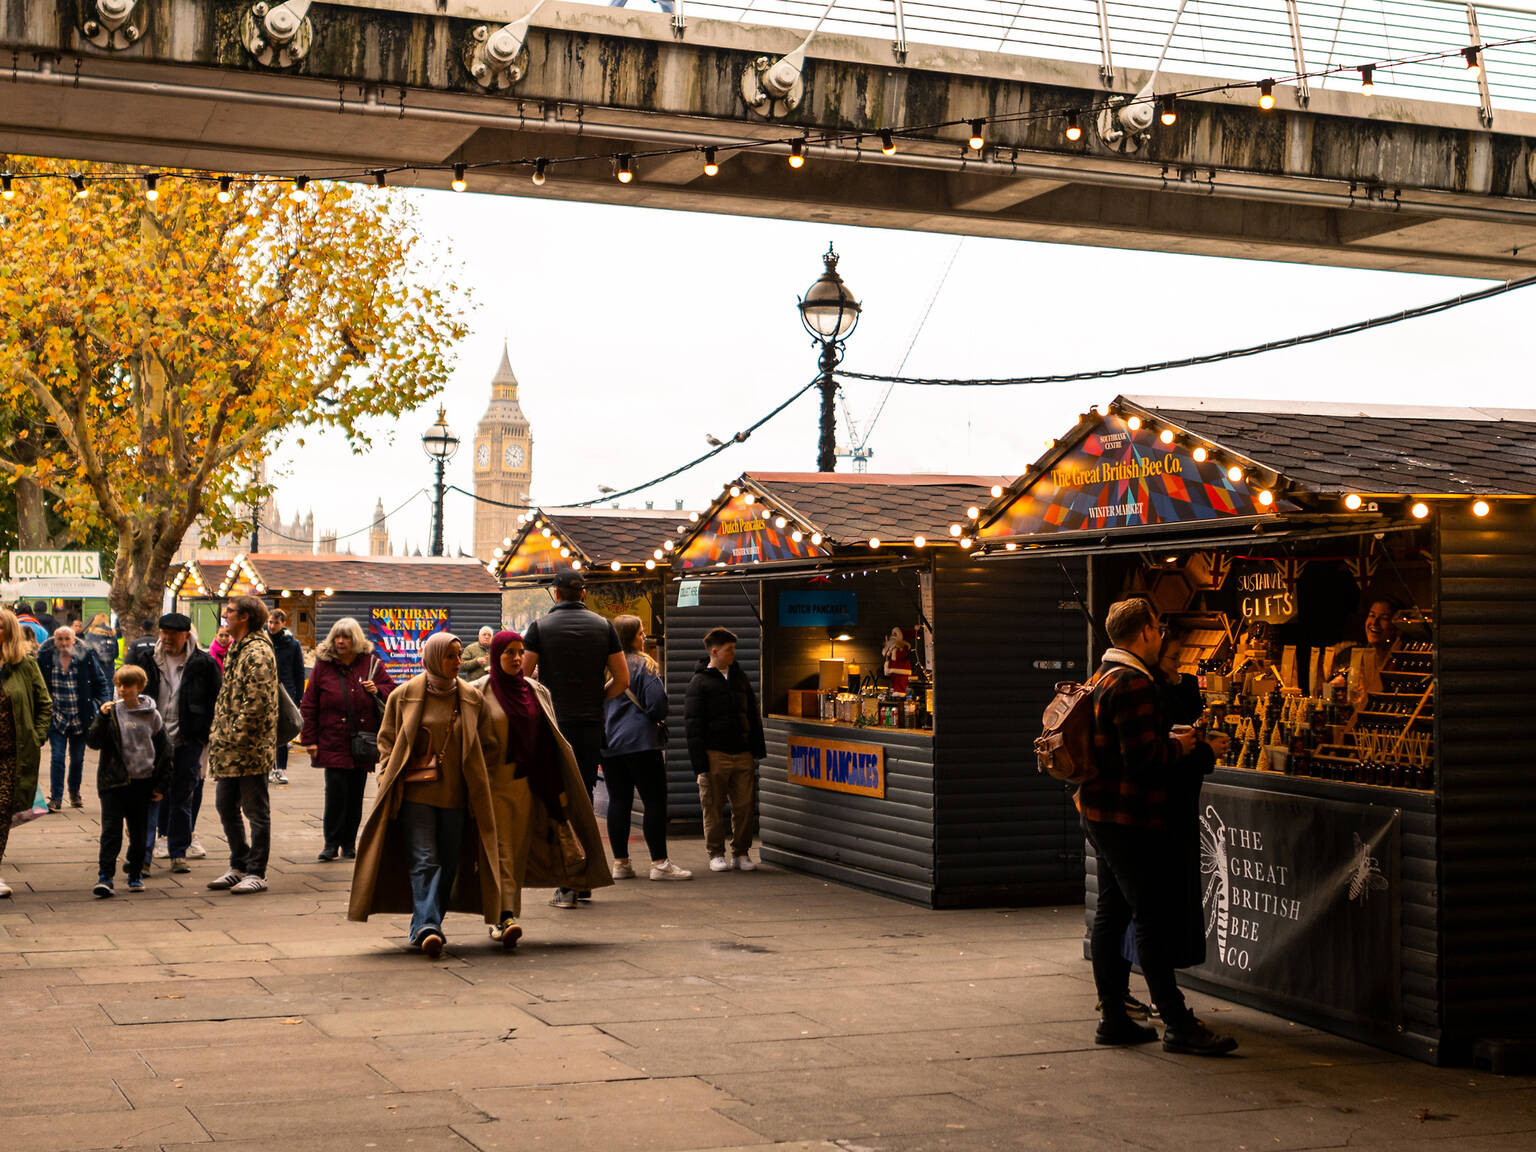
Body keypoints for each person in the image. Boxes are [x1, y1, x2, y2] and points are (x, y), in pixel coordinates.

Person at [1080, 597, 1236, 1056]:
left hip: (1100, 814)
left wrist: (1172, 739)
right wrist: (1197, 751)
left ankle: (1113, 1016)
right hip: (1129, 818)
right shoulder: (1134, 683)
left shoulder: (1104, 676)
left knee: (1112, 914)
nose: (1160, 638)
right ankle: (1177, 1021)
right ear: (1146, 631)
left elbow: (1125, 748)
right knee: (1151, 917)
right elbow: (1143, 763)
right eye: (1157, 630)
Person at [347, 633, 506, 957]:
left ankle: (423, 923)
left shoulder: (471, 698)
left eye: (459, 656)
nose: (457, 662)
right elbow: (387, 740)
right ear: (433, 658)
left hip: (459, 796)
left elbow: (489, 743)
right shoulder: (404, 696)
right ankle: (429, 925)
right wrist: (386, 774)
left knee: (448, 863)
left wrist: (481, 776)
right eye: (450, 656)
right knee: (424, 861)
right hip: (415, 795)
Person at [476, 630, 612, 938]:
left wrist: (558, 787)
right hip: (495, 786)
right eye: (508, 652)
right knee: (503, 851)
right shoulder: (480, 692)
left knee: (520, 850)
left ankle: (507, 914)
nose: (516, 658)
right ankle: (504, 917)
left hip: (534, 786)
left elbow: (549, 740)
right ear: (496, 656)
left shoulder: (536, 691)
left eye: (520, 651)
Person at [521, 567, 628, 907]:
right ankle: (584, 880)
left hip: (555, 724)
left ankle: (566, 883)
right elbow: (622, 679)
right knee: (583, 799)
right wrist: (598, 699)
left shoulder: (539, 628)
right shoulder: (603, 626)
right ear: (583, 593)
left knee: (558, 799)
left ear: (555, 593)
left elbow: (522, 678)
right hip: (590, 726)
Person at [128, 614, 220, 874]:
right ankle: (143, 857)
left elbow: (216, 698)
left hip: (188, 738)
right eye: (163, 632)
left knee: (183, 795)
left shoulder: (203, 663)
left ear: (186, 636)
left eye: (173, 634)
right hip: (151, 739)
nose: (166, 638)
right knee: (148, 797)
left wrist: (205, 736)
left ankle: (178, 851)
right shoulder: (145, 660)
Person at [300, 617, 396, 861]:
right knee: (335, 793)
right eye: (337, 637)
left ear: (356, 640)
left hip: (362, 742)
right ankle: (330, 843)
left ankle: (349, 843)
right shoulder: (324, 665)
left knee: (355, 795)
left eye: (346, 637)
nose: (341, 642)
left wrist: (378, 689)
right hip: (332, 739)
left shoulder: (371, 663)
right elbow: (309, 704)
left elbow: (393, 692)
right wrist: (309, 740)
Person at [602, 615, 689, 882]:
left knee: (618, 801)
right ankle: (659, 863)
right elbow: (658, 704)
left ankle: (621, 863)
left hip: (609, 744)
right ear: (631, 636)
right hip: (641, 742)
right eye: (641, 633)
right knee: (653, 800)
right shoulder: (645, 664)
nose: (644, 637)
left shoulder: (602, 667)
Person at [206, 596, 278, 896]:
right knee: (225, 805)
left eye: (231, 611)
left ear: (245, 617)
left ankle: (257, 871)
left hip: (249, 748)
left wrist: (236, 736)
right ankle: (239, 862)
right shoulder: (238, 647)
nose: (225, 615)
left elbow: (257, 701)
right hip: (229, 748)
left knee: (255, 810)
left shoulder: (258, 651)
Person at [684, 626, 766, 874]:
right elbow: (693, 725)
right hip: (714, 754)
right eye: (729, 650)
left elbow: (752, 712)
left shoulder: (740, 677)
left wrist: (756, 749)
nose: (733, 654)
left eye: (733, 650)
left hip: (742, 752)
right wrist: (700, 763)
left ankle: (741, 852)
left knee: (744, 806)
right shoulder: (699, 683)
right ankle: (716, 853)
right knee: (713, 806)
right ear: (715, 651)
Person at [86, 665, 172, 897]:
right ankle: (106, 876)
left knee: (139, 832)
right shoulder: (111, 713)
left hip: (142, 781)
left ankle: (135, 874)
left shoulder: (152, 715)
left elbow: (165, 751)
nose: (121, 690)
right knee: (111, 831)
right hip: (113, 782)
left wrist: (161, 785)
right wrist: (101, 717)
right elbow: (93, 742)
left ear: (140, 688)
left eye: (127, 685)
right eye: (118, 685)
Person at [0, 609, 52, 898]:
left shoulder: (25, 665)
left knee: (2, 811)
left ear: (8, 631)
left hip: (12, 753)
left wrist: (36, 736)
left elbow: (44, 703)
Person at [37, 626, 110, 810]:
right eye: (60, 639)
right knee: (58, 757)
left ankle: (74, 792)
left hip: (80, 715)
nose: (63, 643)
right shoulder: (45, 657)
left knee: (77, 758)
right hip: (57, 716)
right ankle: (56, 797)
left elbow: (100, 681)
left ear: (74, 640)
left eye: (67, 639)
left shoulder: (85, 657)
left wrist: (104, 702)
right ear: (54, 641)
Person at [267, 609, 306, 786]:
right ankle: (268, 767)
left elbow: (299, 671)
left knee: (282, 732)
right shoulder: (263, 641)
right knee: (267, 731)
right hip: (266, 691)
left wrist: (298, 698)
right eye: (269, 622)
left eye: (275, 622)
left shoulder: (292, 644)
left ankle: (280, 768)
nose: (271, 626)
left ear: (283, 623)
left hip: (286, 691)